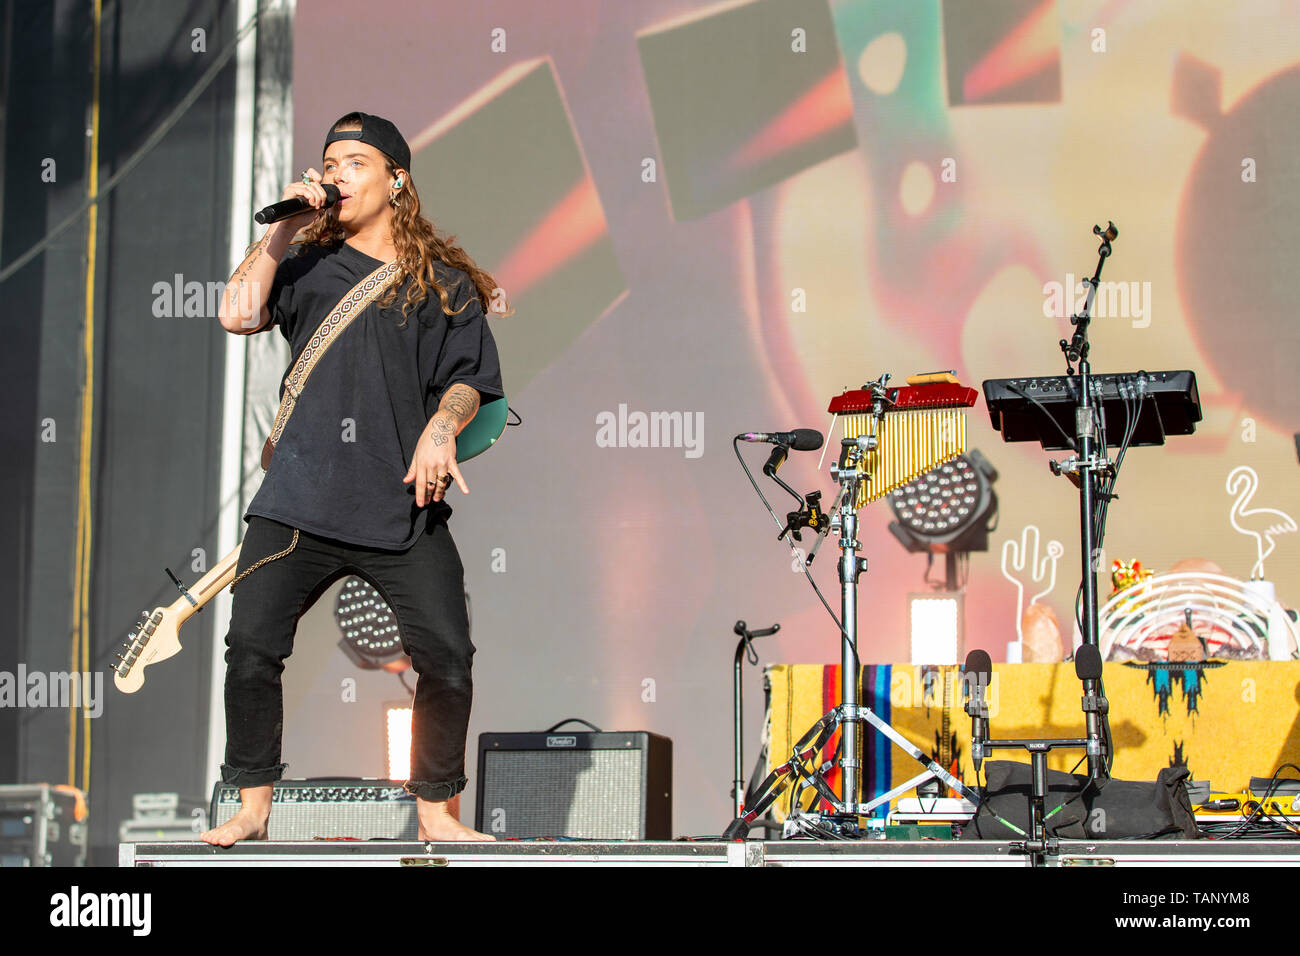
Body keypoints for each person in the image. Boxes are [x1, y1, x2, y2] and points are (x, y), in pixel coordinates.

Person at [201, 112, 507, 845]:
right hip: (299, 501)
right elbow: (236, 315)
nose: (336, 173)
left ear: (398, 179)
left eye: (355, 162)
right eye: (330, 161)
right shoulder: (305, 263)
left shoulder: (446, 285)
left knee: (448, 656)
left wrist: (440, 430)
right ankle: (251, 806)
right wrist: (280, 227)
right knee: (251, 648)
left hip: (400, 505)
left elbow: (470, 384)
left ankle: (436, 811)